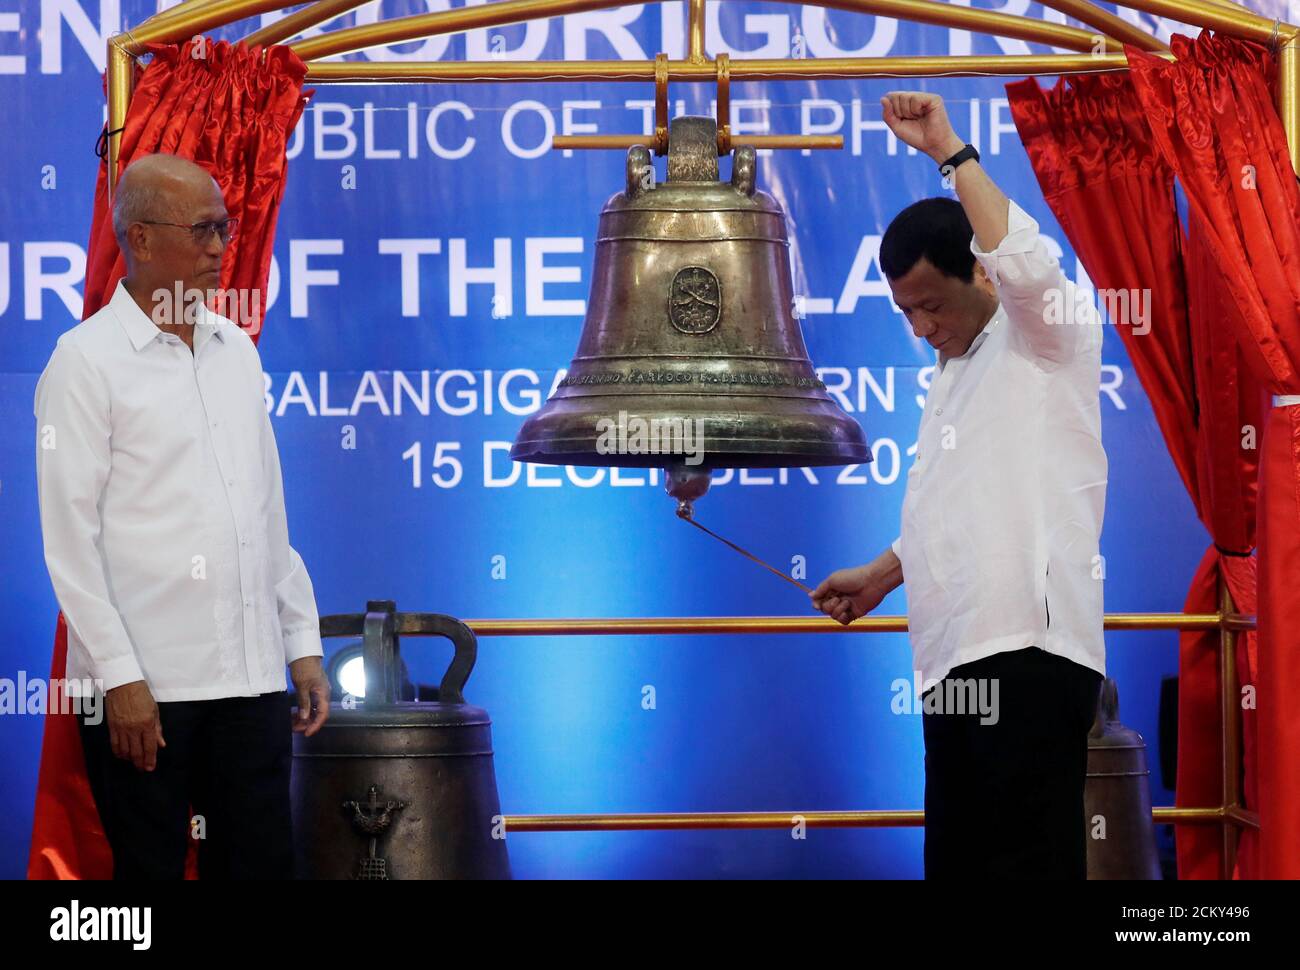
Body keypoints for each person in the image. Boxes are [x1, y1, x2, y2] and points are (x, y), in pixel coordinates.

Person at [811, 92, 1107, 879]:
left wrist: (948, 149)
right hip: (951, 661)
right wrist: (882, 574)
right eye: (907, 313)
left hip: (1028, 653)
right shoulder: (952, 376)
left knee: (1026, 865)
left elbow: (1027, 259)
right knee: (959, 863)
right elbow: (957, 505)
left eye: (932, 305)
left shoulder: (1049, 332)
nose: (922, 327)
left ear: (978, 269)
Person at [34, 153, 330, 879]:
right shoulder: (85, 362)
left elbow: (264, 508)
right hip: (146, 693)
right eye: (201, 230)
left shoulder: (236, 351)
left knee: (261, 869)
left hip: (252, 681)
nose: (218, 248)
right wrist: (121, 679)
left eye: (224, 229)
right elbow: (71, 544)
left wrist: (301, 641)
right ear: (138, 239)